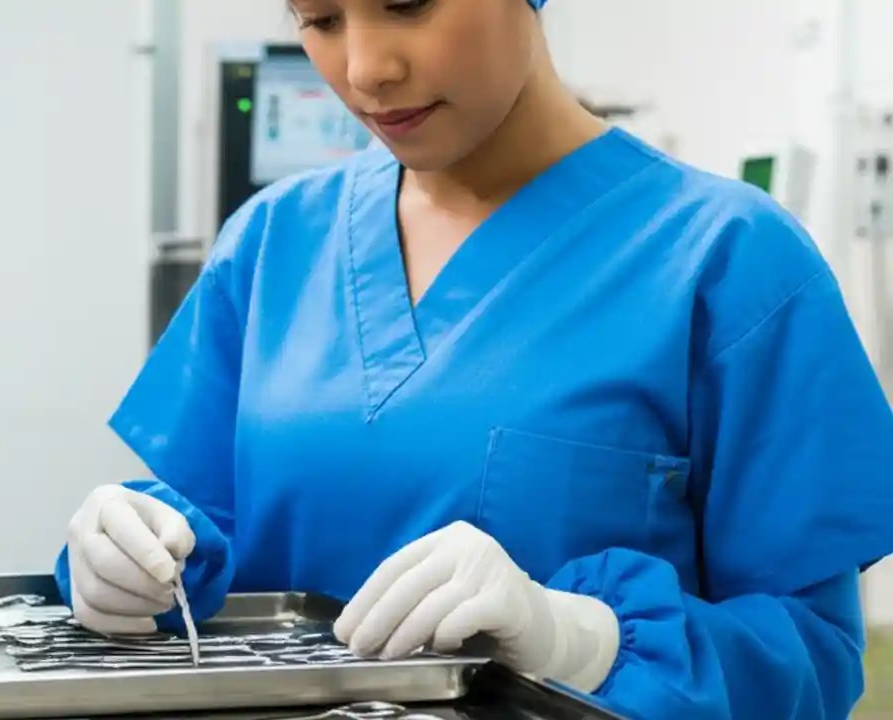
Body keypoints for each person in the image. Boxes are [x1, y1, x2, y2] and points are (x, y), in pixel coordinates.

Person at [55, 0, 893, 717]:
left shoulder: (728, 262)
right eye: (319, 18)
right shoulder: (273, 242)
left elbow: (812, 661)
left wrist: (581, 641)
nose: (365, 67)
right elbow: (215, 547)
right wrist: (134, 562)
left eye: (408, 3)